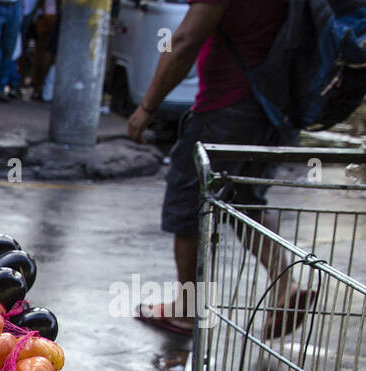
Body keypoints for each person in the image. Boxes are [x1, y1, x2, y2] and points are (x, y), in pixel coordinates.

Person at [129, 0, 311, 338]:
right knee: (247, 202)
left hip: (226, 109)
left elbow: (184, 41)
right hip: (275, 110)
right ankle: (286, 284)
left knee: (188, 207)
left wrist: (147, 105)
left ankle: (187, 309)